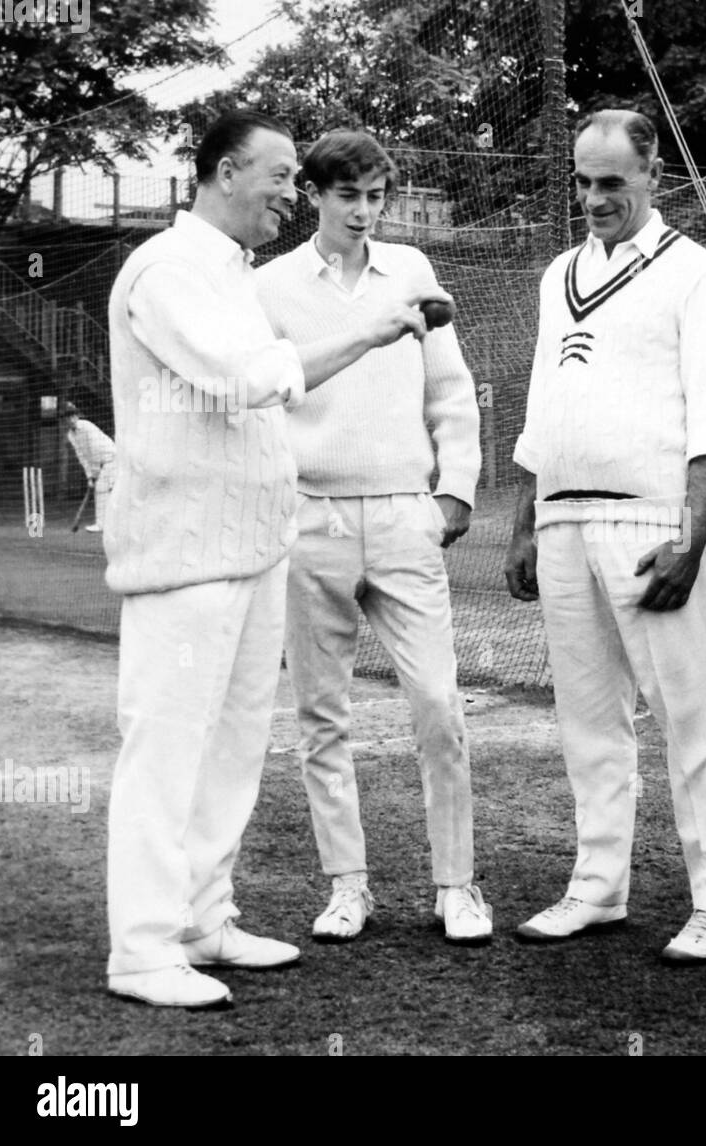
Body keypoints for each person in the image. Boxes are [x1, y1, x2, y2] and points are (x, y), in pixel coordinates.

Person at [103, 110, 446, 1009]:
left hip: (251, 550)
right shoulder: (169, 270)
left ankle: (203, 920)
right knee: (167, 751)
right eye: (282, 175)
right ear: (221, 173)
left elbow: (265, 380)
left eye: (298, 178)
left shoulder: (230, 274)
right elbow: (244, 379)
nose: (294, 194)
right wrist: (373, 330)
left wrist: (374, 331)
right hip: (183, 559)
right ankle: (141, 952)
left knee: (232, 747)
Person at [505, 108, 706, 962]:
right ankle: (598, 887)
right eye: (582, 181)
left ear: (655, 177)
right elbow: (543, 406)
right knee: (587, 718)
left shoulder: (696, 273)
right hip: (566, 517)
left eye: (612, 182)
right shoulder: (557, 275)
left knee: (692, 717)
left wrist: (690, 535)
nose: (594, 197)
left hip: (651, 522)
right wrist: (525, 522)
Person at [256, 130, 490, 946]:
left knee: (436, 704)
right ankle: (347, 886)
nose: (364, 211)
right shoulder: (270, 285)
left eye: (376, 196)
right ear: (315, 196)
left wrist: (453, 489)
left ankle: (457, 887)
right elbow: (259, 402)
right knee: (323, 715)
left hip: (401, 515)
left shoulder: (413, 273)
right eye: (347, 195)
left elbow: (453, 392)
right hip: (310, 518)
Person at [60, 402, 115, 531]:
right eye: (67, 417)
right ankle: (103, 524)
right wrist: (89, 476)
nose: (70, 419)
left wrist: (95, 473)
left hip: (112, 459)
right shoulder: (71, 435)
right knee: (101, 491)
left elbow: (94, 450)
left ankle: (109, 525)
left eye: (72, 416)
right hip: (100, 464)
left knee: (109, 490)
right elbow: (82, 457)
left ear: (77, 416)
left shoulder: (86, 427)